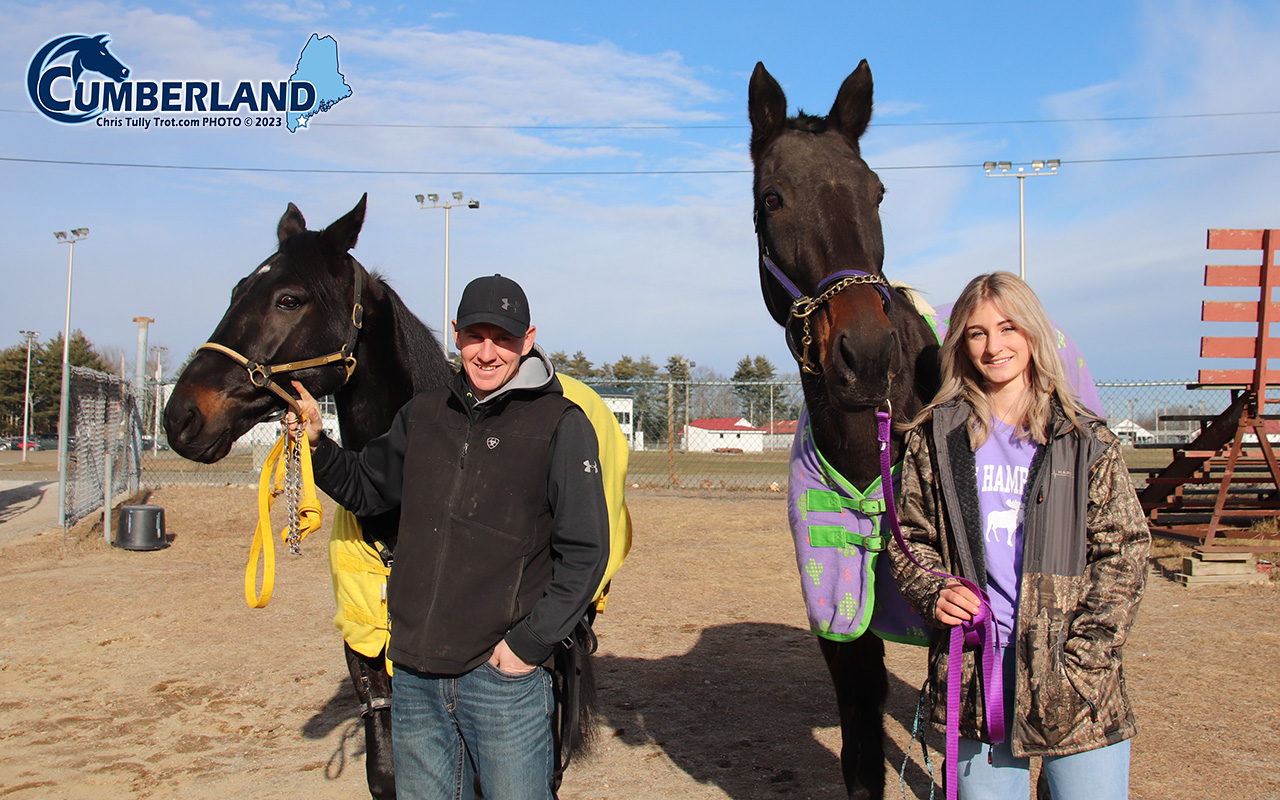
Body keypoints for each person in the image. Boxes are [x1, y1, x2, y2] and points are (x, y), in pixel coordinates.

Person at [288, 274, 610, 800]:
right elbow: (367, 490)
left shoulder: (561, 423)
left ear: (527, 340)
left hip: (502, 678)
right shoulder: (423, 414)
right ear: (456, 335)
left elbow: (585, 551)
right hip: (415, 675)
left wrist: (526, 647)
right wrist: (317, 443)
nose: (487, 353)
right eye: (475, 336)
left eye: (502, 338)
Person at [886, 271, 1150, 800]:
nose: (994, 345)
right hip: (979, 674)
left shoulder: (1083, 439)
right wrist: (933, 589)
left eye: (1008, 328)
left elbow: (1124, 550)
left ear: (1031, 333)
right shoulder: (935, 438)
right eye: (977, 333)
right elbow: (906, 537)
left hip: (1072, 680)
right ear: (961, 343)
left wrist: (1086, 658)